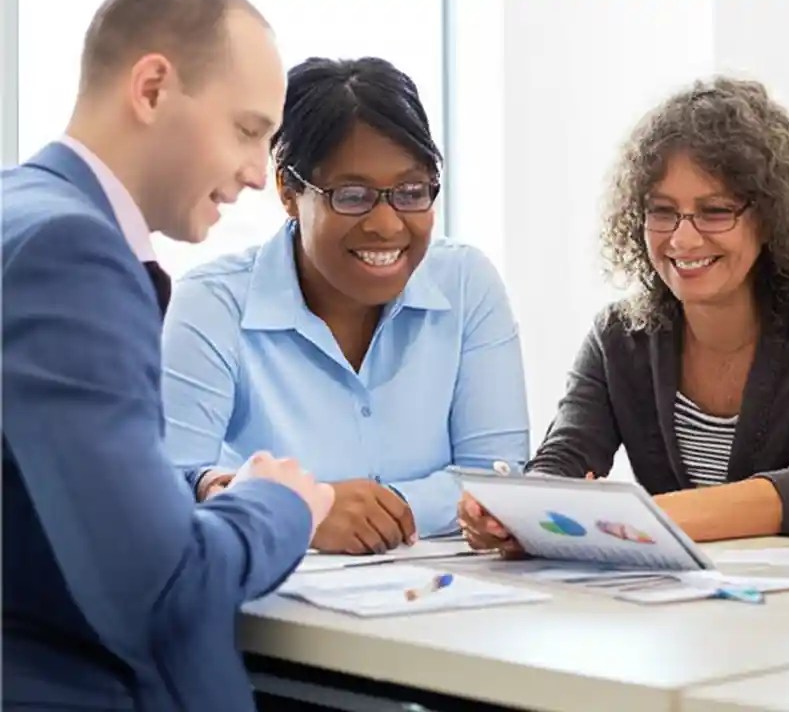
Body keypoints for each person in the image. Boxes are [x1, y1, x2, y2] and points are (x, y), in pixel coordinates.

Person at [2, 0, 335, 710]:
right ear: (152, 89)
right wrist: (277, 506)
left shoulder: (19, 220)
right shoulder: (71, 253)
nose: (256, 172)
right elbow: (157, 589)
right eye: (248, 131)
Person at [460, 76, 789, 551]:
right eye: (662, 212)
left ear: (769, 218)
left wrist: (638, 517)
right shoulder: (619, 337)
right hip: (671, 609)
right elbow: (564, 459)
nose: (682, 240)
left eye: (714, 212)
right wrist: (517, 514)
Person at [162, 56, 529, 554]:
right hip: (269, 622)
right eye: (352, 195)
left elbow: (500, 478)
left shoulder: (466, 284)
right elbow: (168, 488)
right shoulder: (213, 303)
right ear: (288, 191)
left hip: (449, 609)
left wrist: (366, 508)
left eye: (410, 192)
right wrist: (303, 515)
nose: (386, 224)